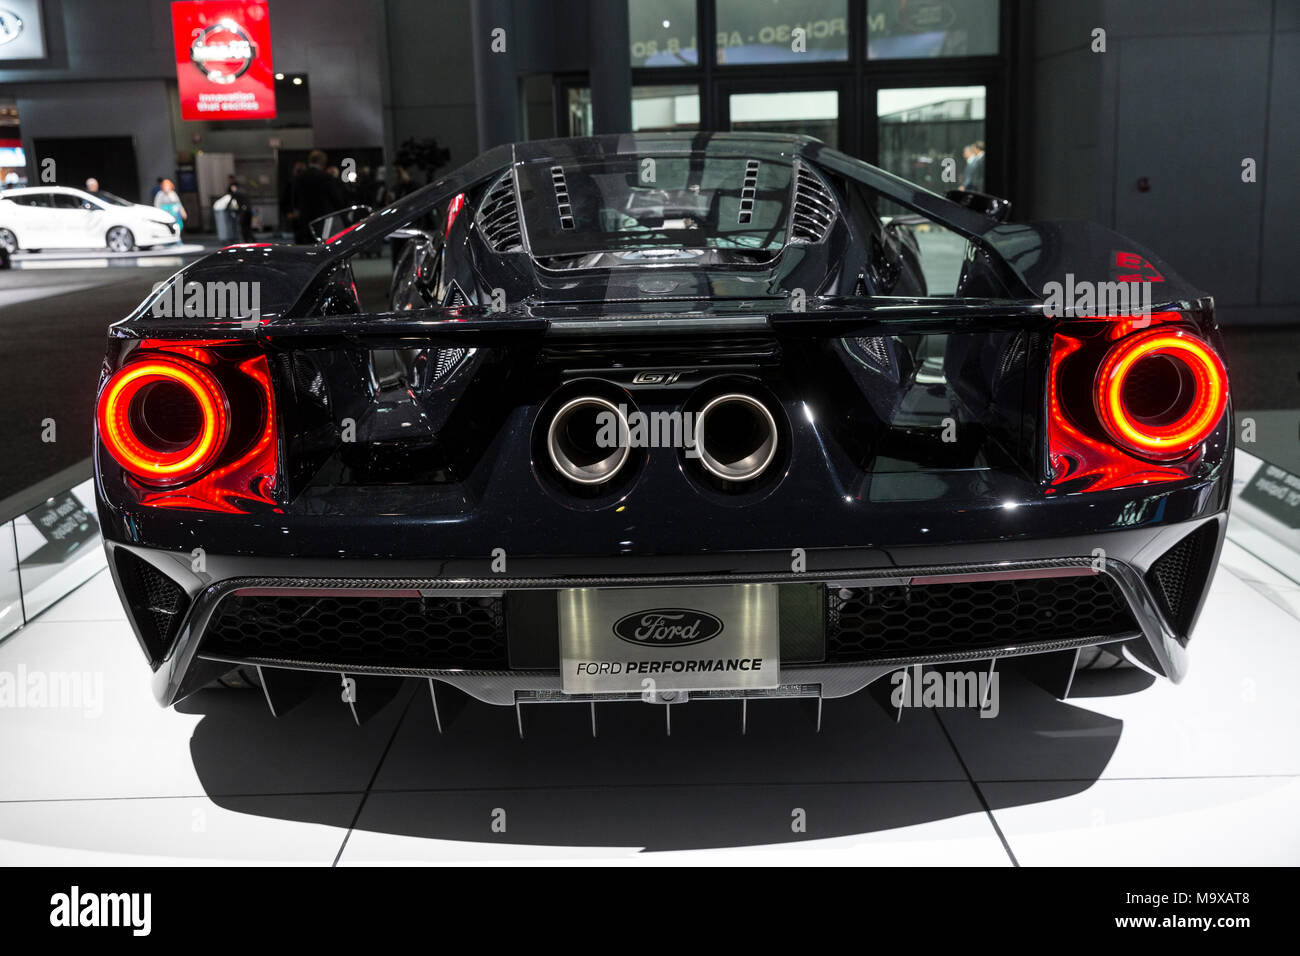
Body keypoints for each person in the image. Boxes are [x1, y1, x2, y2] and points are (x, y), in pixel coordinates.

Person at [291, 150, 349, 243]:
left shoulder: (299, 178)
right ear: (323, 162)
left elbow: (295, 200)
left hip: (305, 220)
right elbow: (336, 200)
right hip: (324, 221)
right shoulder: (326, 177)